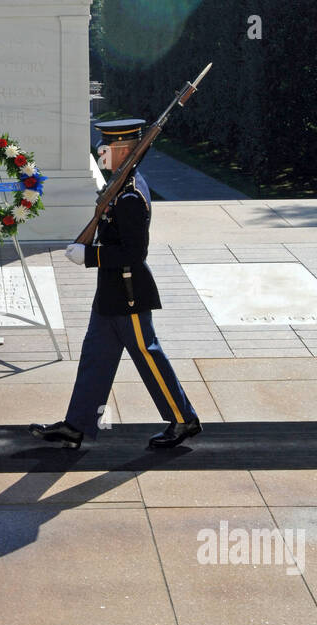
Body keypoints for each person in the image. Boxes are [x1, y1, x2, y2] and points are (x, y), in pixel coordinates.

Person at [30, 119, 201, 450]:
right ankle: (76, 425)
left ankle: (184, 419)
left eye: (106, 148)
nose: (100, 152)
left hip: (129, 293)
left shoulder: (131, 196)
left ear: (125, 150)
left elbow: (134, 253)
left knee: (149, 356)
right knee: (95, 356)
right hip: (110, 293)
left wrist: (90, 255)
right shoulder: (121, 187)